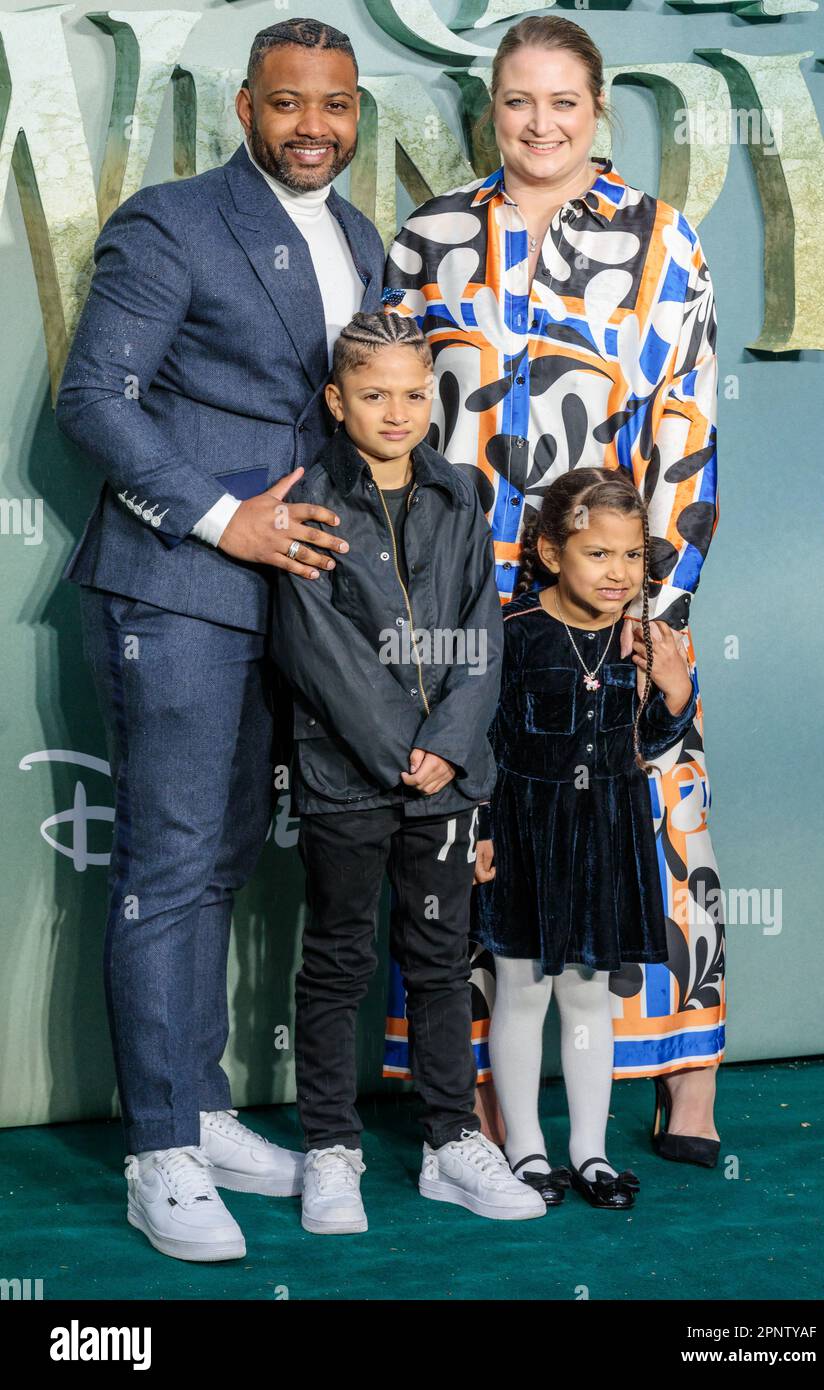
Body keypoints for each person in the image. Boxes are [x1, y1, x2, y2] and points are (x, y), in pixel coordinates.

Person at [54, 18, 385, 1262]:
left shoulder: (359, 238)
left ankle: (198, 1102)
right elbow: (93, 395)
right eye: (290, 104)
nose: (315, 127)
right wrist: (218, 517)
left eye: (337, 106)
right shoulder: (171, 218)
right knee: (170, 862)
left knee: (225, 857)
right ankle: (157, 1155)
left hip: (294, 601)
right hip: (176, 585)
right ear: (246, 107)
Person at [382, 13, 723, 1161]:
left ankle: (685, 1075)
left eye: (563, 103)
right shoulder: (427, 236)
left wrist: (657, 608)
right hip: (462, 599)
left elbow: (686, 429)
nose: (540, 124)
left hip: (607, 591)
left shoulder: (662, 239)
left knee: (653, 819)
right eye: (518, 102)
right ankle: (487, 1084)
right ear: (492, 109)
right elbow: (388, 415)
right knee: (486, 828)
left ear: (597, 111)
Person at [270, 310, 547, 1232]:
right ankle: (332, 1150)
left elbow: (482, 628)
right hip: (348, 779)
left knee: (438, 962)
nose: (397, 411)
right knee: (339, 960)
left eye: (414, 393)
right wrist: (403, 751)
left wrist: (454, 743)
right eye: (375, 394)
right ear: (336, 400)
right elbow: (316, 647)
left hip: (451, 783)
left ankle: (448, 1143)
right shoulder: (307, 496)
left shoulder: (464, 493)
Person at [473, 468, 697, 1208]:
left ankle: (590, 1152)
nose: (618, 572)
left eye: (631, 556)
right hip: (525, 831)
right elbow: (480, 741)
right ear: (547, 550)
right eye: (598, 554)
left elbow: (651, 745)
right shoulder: (510, 634)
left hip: (608, 830)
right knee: (521, 988)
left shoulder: (646, 639)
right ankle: (527, 1148)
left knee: (588, 996)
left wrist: (675, 693)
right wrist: (478, 830)